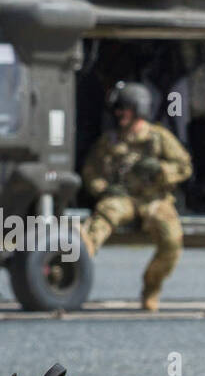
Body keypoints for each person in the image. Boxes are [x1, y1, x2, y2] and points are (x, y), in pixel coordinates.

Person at [80, 81, 192, 311]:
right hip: (122, 199)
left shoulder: (159, 137)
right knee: (99, 223)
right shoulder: (109, 141)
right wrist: (103, 189)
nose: (120, 114)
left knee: (171, 241)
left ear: (139, 109)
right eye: (118, 109)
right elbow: (91, 171)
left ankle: (152, 288)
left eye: (125, 109)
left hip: (154, 200)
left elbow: (184, 166)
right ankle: (71, 269)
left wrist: (160, 171)